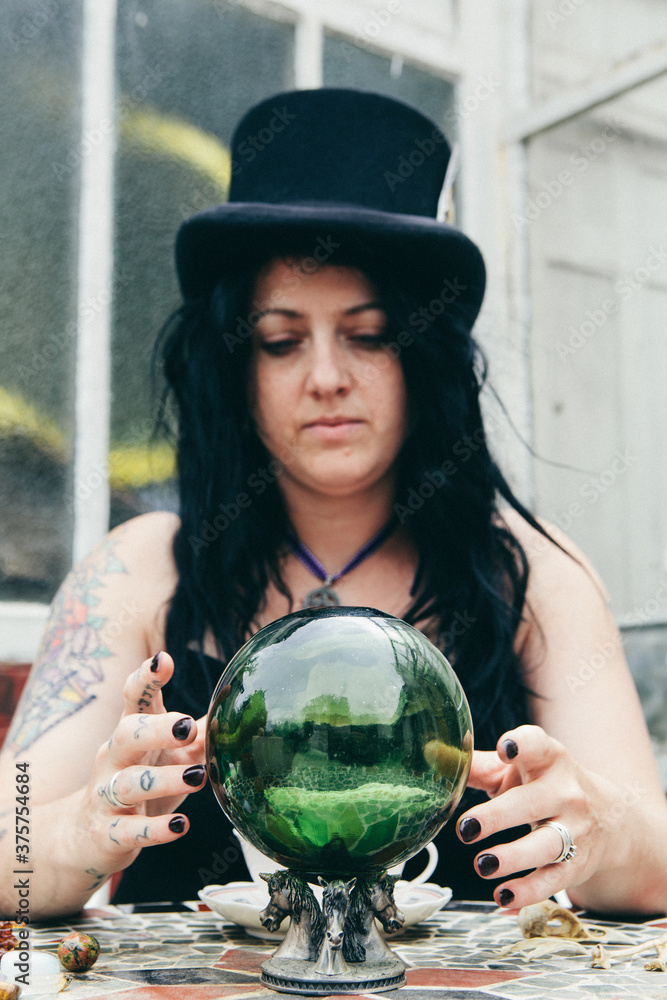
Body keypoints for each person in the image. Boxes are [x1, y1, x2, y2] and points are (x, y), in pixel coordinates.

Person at [1, 88, 666, 920]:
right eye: (281, 340)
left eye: (369, 333)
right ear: (236, 368)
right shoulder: (139, 571)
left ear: (422, 355)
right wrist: (68, 835)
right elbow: (8, 851)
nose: (325, 378)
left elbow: (655, 869)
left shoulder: (531, 575)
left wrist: (599, 830)